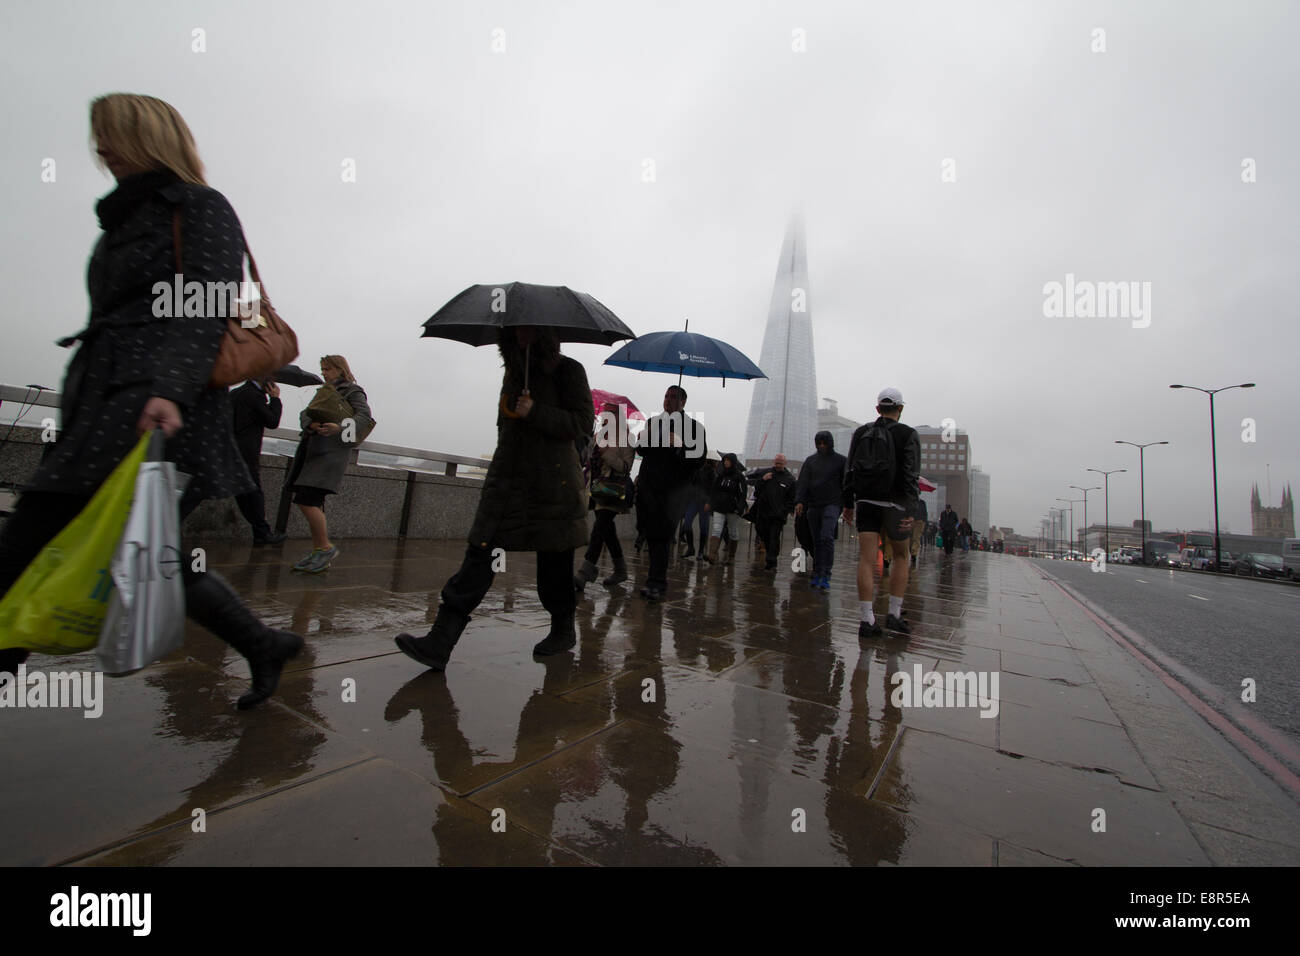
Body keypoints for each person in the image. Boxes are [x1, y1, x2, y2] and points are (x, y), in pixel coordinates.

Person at [0, 93, 301, 707]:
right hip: (104, 402)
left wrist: (169, 391)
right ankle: (262, 644)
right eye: (98, 135)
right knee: (140, 551)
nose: (101, 147)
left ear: (149, 138)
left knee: (28, 548)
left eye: (112, 134)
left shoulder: (198, 206)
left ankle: (262, 644)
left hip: (153, 408)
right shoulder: (122, 219)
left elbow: (206, 305)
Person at [395, 326, 593, 669]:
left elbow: (582, 423)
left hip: (553, 484)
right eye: (516, 329)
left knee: (554, 567)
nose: (522, 334)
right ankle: (440, 641)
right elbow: (506, 427)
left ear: (544, 332)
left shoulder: (568, 369)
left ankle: (563, 629)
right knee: (480, 554)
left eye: (529, 329)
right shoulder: (514, 372)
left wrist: (535, 411)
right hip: (508, 481)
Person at [844, 388, 920, 637]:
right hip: (896, 503)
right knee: (901, 555)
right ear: (900, 408)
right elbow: (911, 474)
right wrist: (911, 508)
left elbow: (850, 469)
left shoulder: (861, 432)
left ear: (878, 409)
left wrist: (848, 503)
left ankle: (867, 620)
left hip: (866, 501)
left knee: (866, 559)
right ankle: (894, 615)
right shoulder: (908, 434)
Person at [287, 355, 372, 573]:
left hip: (329, 455)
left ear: (340, 369)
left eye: (327, 369)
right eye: (322, 369)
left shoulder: (353, 391)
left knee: (306, 500)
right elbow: (305, 414)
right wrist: (312, 424)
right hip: (312, 453)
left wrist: (339, 428)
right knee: (313, 502)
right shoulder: (324, 391)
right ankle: (319, 553)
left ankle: (325, 548)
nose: (324, 373)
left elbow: (364, 417)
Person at [634, 385, 706, 601]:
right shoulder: (654, 422)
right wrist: (643, 438)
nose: (668, 400)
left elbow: (699, 459)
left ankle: (657, 583)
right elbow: (641, 451)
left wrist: (682, 447)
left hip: (672, 492)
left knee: (663, 535)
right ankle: (653, 580)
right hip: (649, 488)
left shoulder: (694, 428)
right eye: (666, 396)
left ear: (683, 402)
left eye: (673, 397)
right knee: (649, 533)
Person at [574, 402, 635, 591]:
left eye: (611, 413)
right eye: (605, 414)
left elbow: (625, 467)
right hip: (597, 489)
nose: (606, 417)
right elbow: (586, 460)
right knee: (607, 530)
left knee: (599, 528)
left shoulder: (627, 438)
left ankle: (586, 571)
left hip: (613, 490)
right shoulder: (598, 436)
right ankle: (620, 569)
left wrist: (606, 453)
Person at [230, 377, 286, 546]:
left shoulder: (236, 392)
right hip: (247, 454)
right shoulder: (254, 396)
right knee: (253, 493)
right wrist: (275, 399)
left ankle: (261, 533)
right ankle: (263, 533)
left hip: (230, 450)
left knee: (245, 494)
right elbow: (272, 421)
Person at [795, 431, 847, 591]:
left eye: (825, 443)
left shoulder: (841, 461)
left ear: (830, 443)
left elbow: (846, 483)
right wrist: (800, 501)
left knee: (826, 536)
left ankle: (825, 574)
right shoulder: (810, 461)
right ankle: (817, 571)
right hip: (814, 504)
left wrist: (847, 504)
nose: (822, 446)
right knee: (816, 540)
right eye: (819, 443)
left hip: (832, 503)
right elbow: (803, 482)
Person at [747, 454, 797, 571]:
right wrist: (763, 480)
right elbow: (757, 490)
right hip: (763, 513)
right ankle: (770, 555)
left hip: (777, 515)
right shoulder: (766, 473)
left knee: (774, 537)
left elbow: (791, 497)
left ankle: (771, 560)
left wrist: (787, 510)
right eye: (776, 463)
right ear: (773, 462)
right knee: (763, 534)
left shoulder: (790, 479)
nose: (778, 465)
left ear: (785, 464)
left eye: (780, 463)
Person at [702, 453, 748, 565]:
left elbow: (743, 494)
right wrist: (709, 502)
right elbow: (714, 490)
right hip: (719, 507)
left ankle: (731, 557)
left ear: (733, 462)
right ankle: (712, 555)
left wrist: (740, 507)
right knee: (716, 529)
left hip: (733, 509)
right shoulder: (721, 475)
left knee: (733, 532)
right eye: (725, 460)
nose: (726, 462)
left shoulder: (739, 477)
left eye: (728, 460)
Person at [679, 458, 714, 558]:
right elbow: (690, 484)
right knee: (687, 523)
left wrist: (709, 502)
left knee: (703, 527)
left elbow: (713, 489)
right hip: (693, 500)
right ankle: (691, 548)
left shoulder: (711, 472)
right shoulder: (695, 469)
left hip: (704, 502)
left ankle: (701, 551)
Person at [910, 495, 928, 566]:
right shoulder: (911, 501)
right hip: (911, 521)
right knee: (910, 539)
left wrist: (924, 522)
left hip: (919, 522)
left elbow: (925, 513)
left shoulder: (922, 502)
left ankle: (914, 553)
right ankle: (912, 551)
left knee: (916, 538)